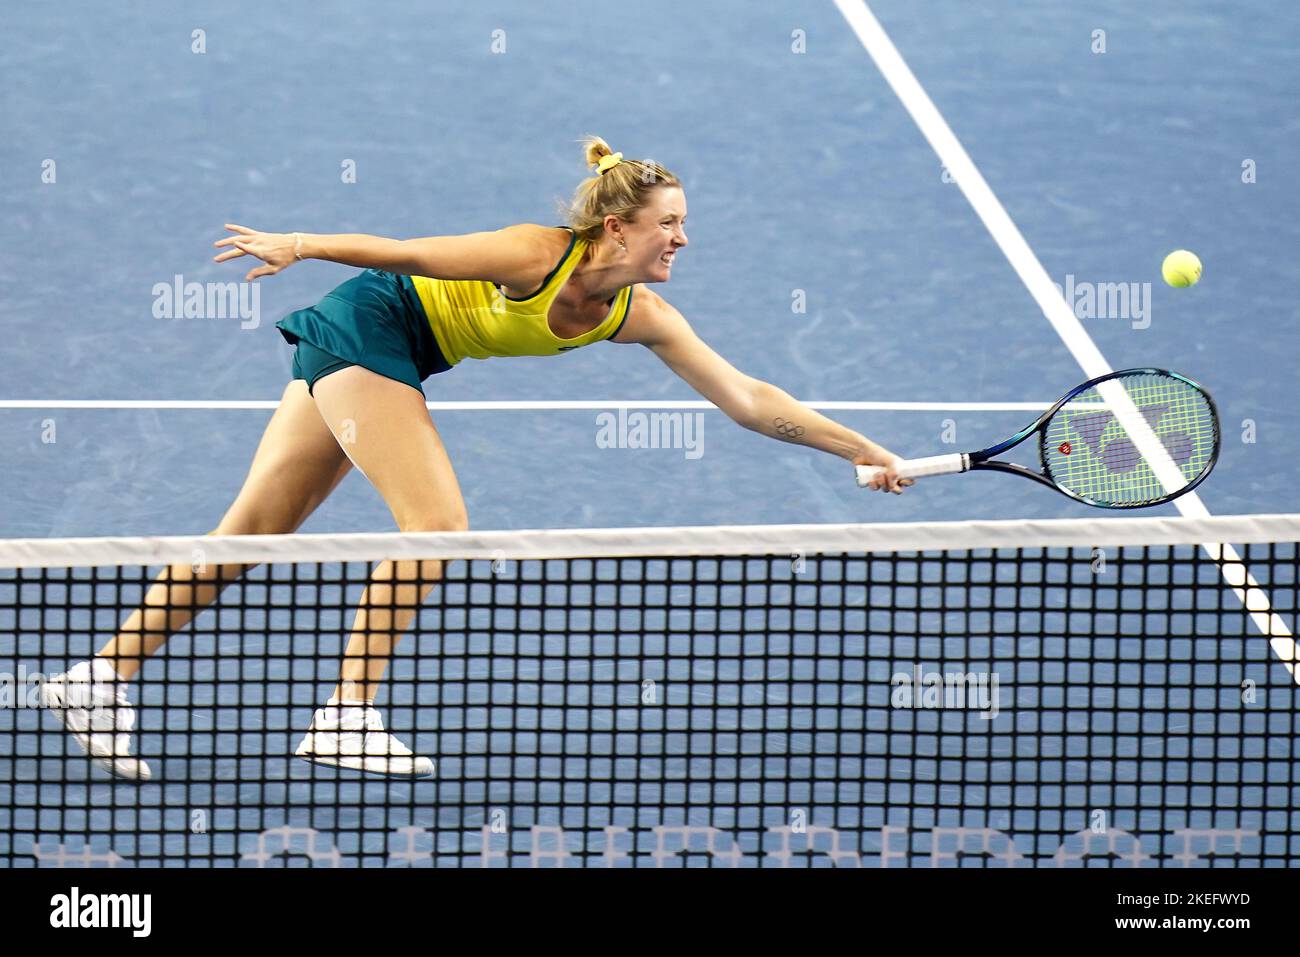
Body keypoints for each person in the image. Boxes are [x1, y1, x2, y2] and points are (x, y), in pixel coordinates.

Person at [39, 137, 910, 781]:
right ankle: (347, 713)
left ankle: (95, 677)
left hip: (394, 356)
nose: (682, 240)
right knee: (438, 524)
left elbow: (750, 398)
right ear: (618, 225)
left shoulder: (637, 312)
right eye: (669, 225)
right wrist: (298, 242)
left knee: (250, 532)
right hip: (369, 326)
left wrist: (863, 450)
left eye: (684, 225)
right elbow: (410, 254)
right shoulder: (535, 253)